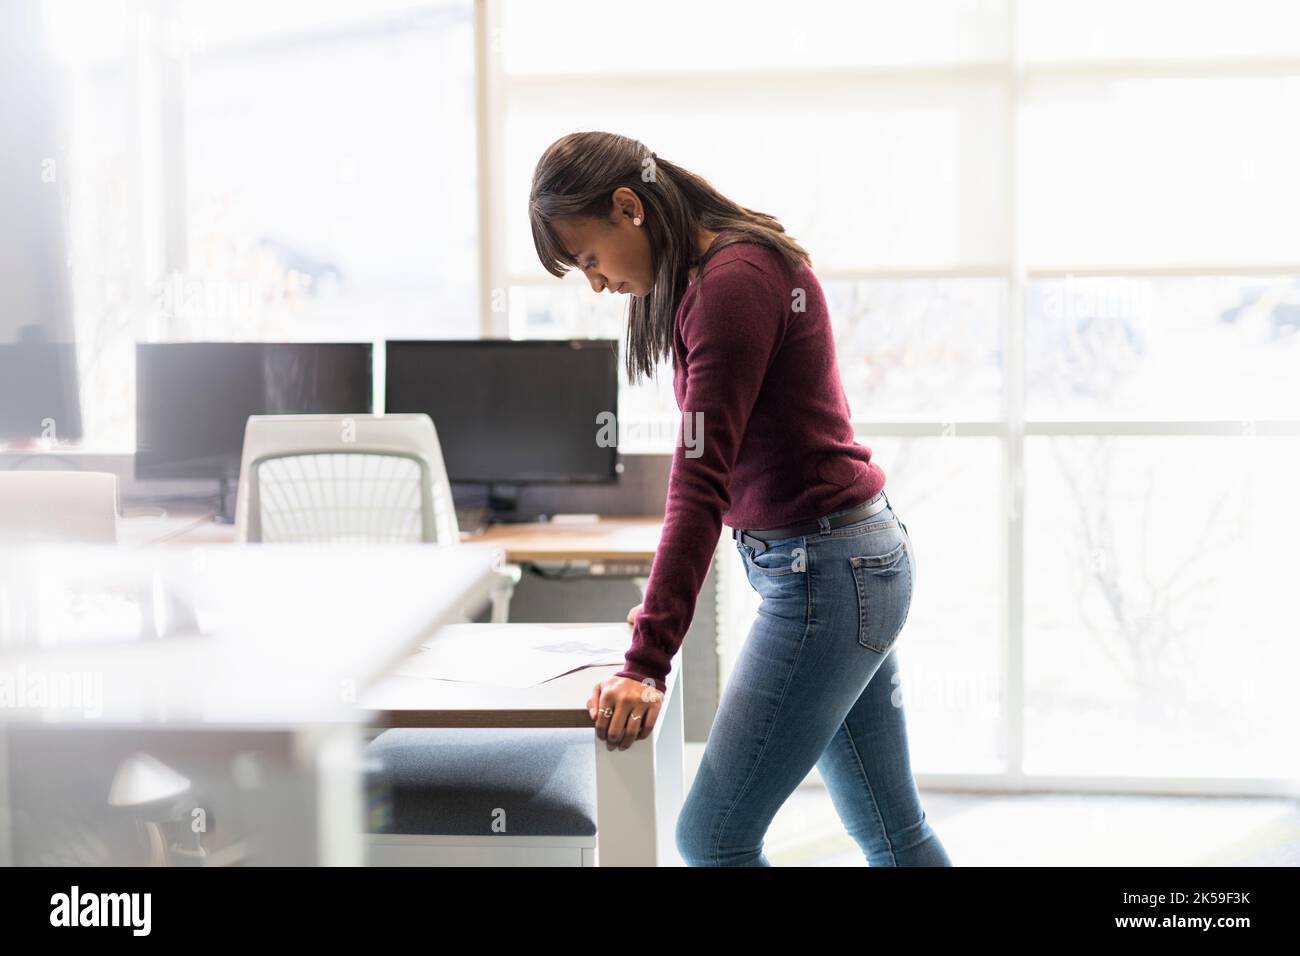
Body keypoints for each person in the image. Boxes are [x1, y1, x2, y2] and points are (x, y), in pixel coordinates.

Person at [528, 131, 951, 866]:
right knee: (892, 831)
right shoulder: (714, 275)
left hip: (828, 574)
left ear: (628, 206)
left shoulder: (731, 284)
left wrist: (648, 660)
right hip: (844, 566)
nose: (595, 285)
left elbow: (699, 483)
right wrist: (658, 620)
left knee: (713, 840)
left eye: (590, 259)